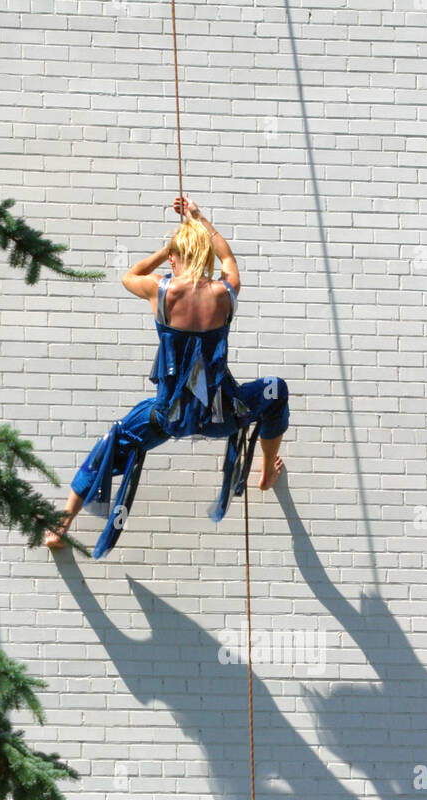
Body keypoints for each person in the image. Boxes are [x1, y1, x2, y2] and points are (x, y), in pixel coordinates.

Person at [45, 197, 289, 552]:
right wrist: (201, 219)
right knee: (276, 392)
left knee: (113, 441)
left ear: (175, 255)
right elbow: (230, 261)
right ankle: (266, 471)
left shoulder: (160, 291)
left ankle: (62, 523)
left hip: (168, 416)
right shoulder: (224, 293)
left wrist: (165, 251)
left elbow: (130, 276)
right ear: (204, 255)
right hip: (221, 413)